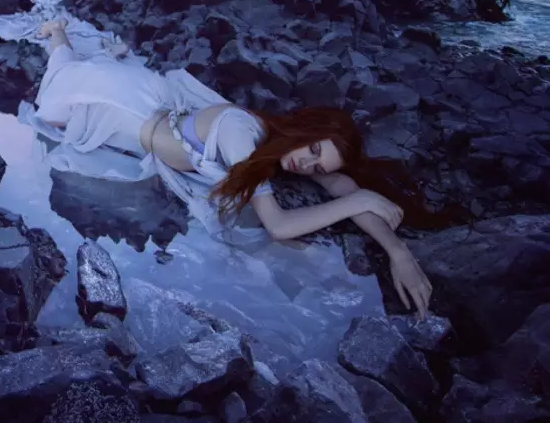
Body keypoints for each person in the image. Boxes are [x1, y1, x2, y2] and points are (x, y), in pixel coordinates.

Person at [25, 18, 433, 319]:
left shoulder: (276, 147)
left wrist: (398, 251)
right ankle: (58, 34)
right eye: (312, 149)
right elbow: (279, 226)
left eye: (314, 165)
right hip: (115, 108)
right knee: (56, 95)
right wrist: (362, 199)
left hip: (147, 110)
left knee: (73, 78)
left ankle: (68, 45)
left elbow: (340, 184)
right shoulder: (244, 133)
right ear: (308, 129)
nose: (306, 165)